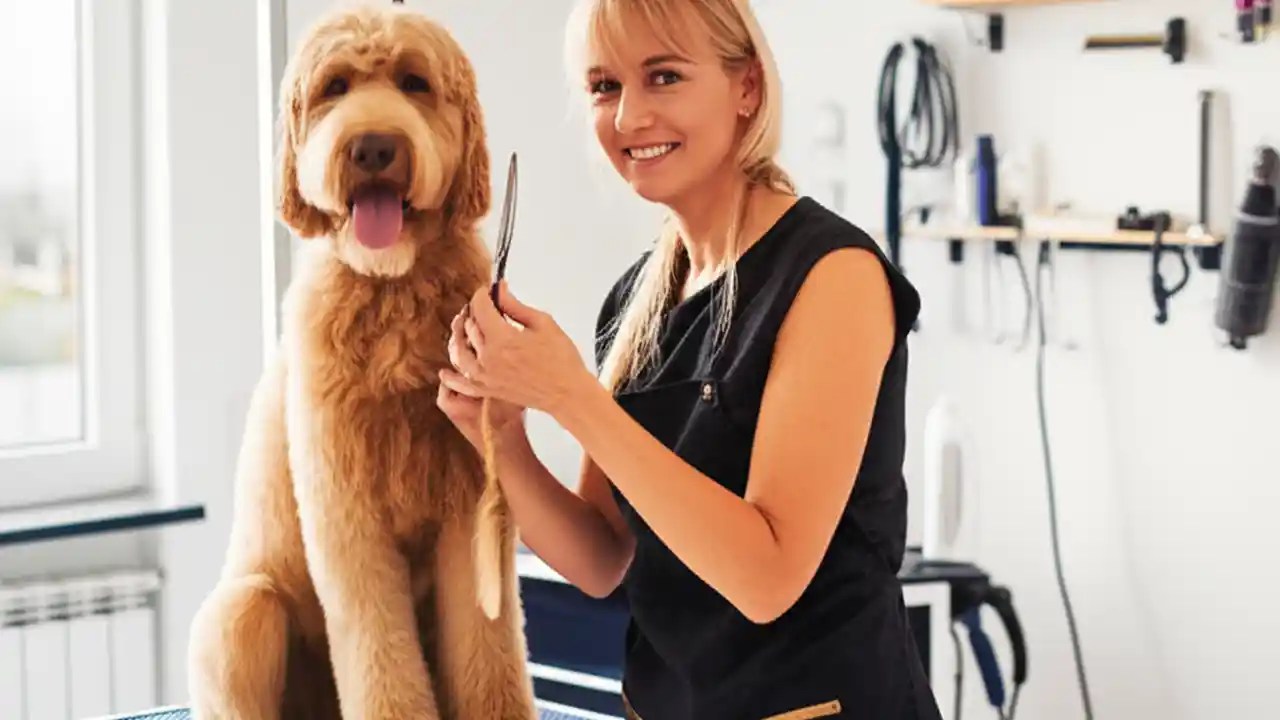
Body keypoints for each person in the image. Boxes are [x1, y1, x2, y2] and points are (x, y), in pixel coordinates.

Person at [437, 0, 941, 718]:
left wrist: (573, 397)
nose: (628, 116)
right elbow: (601, 560)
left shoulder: (833, 276)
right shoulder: (637, 297)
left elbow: (767, 578)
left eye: (664, 76)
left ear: (747, 88)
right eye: (604, 87)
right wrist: (502, 436)